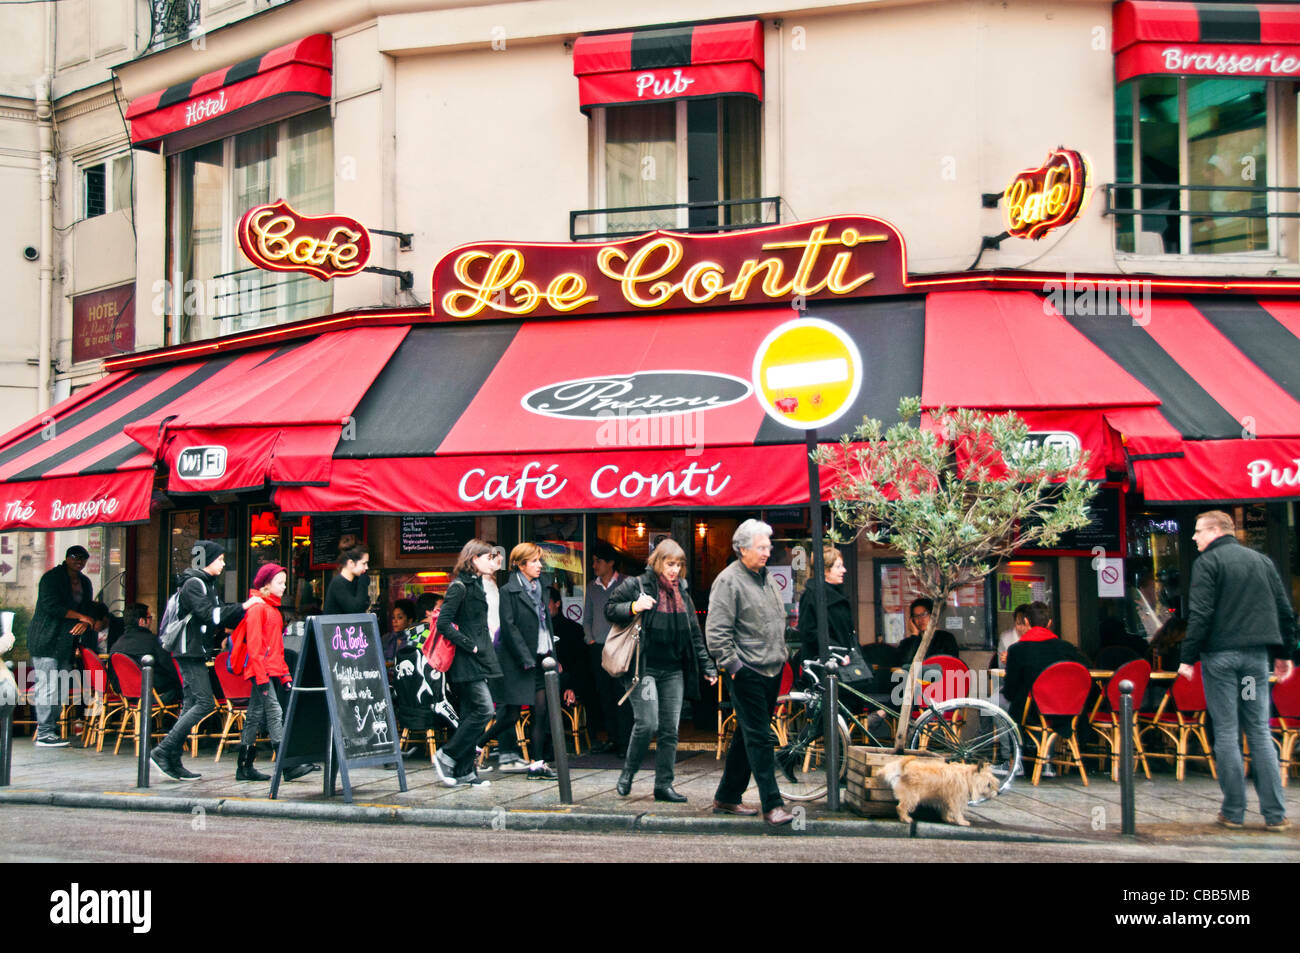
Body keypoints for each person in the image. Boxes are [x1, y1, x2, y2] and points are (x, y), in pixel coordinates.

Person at [1179, 510, 1296, 832]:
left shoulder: (1208, 564)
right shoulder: (1262, 562)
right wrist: (1285, 654)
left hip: (1220, 659)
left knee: (1228, 733)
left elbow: (1200, 614)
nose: (1194, 537)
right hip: (1253, 661)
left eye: (1199, 531)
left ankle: (1233, 812)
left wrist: (1187, 657)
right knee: (1258, 730)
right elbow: (1285, 612)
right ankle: (1275, 815)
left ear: (1216, 530)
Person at [605, 539, 718, 802]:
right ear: (658, 562)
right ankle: (628, 774)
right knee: (647, 723)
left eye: (679, 564)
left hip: (674, 670)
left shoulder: (683, 593)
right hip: (644, 668)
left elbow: (694, 635)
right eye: (670, 564)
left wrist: (707, 666)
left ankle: (663, 785)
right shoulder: (638, 585)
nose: (674, 570)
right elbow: (609, 609)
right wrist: (634, 607)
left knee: (670, 729)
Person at [705, 519, 794, 826]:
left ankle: (727, 796)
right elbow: (716, 632)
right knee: (760, 737)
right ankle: (773, 804)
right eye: (761, 547)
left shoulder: (764, 576)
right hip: (747, 670)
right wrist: (734, 666)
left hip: (770, 667)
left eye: (768, 546)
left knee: (748, 733)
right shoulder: (728, 581)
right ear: (742, 549)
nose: (768, 552)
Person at [150, 540, 261, 782]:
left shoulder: (207, 584)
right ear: (207, 560)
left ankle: (173, 758)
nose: (223, 563)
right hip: (187, 650)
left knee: (191, 703)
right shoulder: (194, 584)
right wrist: (244, 605)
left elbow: (219, 616)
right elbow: (210, 615)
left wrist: (242, 615)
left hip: (195, 650)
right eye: (220, 559)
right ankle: (163, 750)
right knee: (204, 703)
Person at [434, 539, 503, 787]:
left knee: (469, 715)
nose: (492, 561)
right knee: (485, 710)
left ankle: (465, 772)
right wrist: (469, 644)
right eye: (487, 558)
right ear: (474, 559)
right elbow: (443, 623)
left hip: (478, 659)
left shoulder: (476, 585)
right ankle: (447, 755)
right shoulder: (460, 587)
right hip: (465, 662)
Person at [228, 563, 302, 783]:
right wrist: (264, 677)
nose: (284, 587)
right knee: (275, 712)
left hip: (265, 671)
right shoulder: (259, 609)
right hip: (261, 672)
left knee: (253, 717)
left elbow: (276, 648)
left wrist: (285, 676)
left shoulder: (271, 610)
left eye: (284, 583)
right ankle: (286, 766)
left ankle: (244, 766)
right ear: (267, 585)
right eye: (279, 583)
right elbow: (255, 646)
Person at [497, 543, 563, 780]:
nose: (539, 565)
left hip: (541, 658)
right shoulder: (508, 590)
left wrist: (552, 657)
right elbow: (509, 627)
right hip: (518, 662)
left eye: (539, 561)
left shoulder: (543, 587)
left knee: (541, 711)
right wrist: (525, 658)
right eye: (534, 561)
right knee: (511, 716)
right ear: (520, 564)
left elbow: (547, 623)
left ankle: (537, 765)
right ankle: (474, 746)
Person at [28, 545, 95, 748]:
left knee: (61, 687)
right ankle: (44, 732)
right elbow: (51, 605)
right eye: (75, 557)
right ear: (66, 558)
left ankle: (52, 729)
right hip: (45, 639)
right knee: (46, 685)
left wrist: (85, 622)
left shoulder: (85, 582)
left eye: (83, 558)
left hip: (66, 643)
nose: (79, 561)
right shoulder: (51, 578)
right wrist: (81, 617)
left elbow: (87, 608)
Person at [1002, 601, 1086, 728]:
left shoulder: (1016, 650)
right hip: (1067, 713)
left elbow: (1010, 692)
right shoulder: (1067, 648)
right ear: (1049, 623)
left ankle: (1013, 748)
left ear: (1026, 621)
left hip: (1031, 713)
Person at [583, 541, 629, 754]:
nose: (594, 565)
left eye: (598, 561)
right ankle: (611, 737)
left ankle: (624, 740)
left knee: (621, 693)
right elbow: (587, 617)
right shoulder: (592, 587)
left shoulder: (627, 584)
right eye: (593, 562)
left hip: (620, 647)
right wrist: (590, 639)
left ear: (610, 563)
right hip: (598, 647)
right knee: (604, 694)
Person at [110, 603, 181, 704]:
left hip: (129, 699)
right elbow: (171, 669)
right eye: (150, 617)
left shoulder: (116, 645)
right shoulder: (154, 642)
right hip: (155, 697)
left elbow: (113, 679)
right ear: (142, 621)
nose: (151, 621)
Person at [550, 586, 592, 716]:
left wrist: (572, 686)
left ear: (557, 603)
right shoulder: (535, 630)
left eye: (545, 601)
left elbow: (581, 663)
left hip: (566, 682)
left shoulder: (573, 629)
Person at [896, 598, 961, 665]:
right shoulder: (907, 643)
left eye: (924, 614)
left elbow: (951, 664)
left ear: (933, 615)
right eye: (916, 616)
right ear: (912, 620)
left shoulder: (946, 638)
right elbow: (905, 663)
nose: (920, 619)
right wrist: (914, 635)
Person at [323, 546, 371, 615]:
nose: (367, 567)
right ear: (351, 563)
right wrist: (363, 580)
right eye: (363, 563)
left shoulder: (355, 581)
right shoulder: (338, 583)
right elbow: (356, 610)